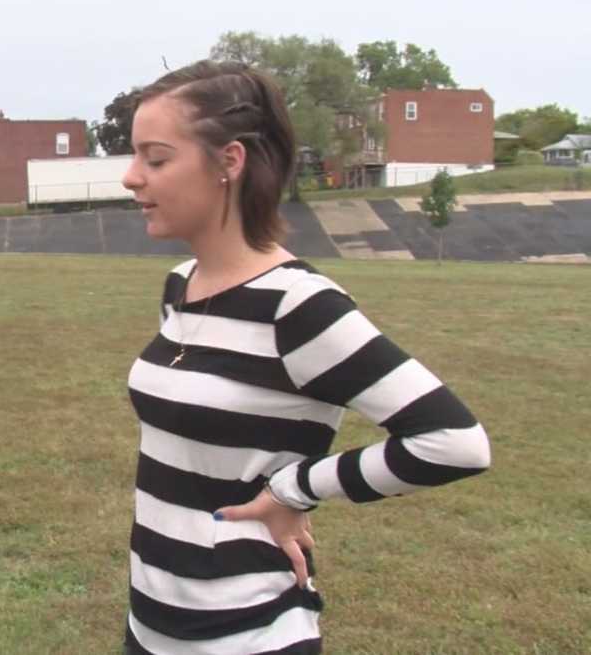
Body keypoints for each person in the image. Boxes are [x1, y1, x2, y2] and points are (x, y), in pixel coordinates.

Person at [119, 61, 491, 654]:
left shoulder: (300, 305)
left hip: (249, 636)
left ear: (228, 163)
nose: (131, 177)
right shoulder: (179, 284)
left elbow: (454, 440)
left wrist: (295, 488)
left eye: (156, 159)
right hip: (149, 629)